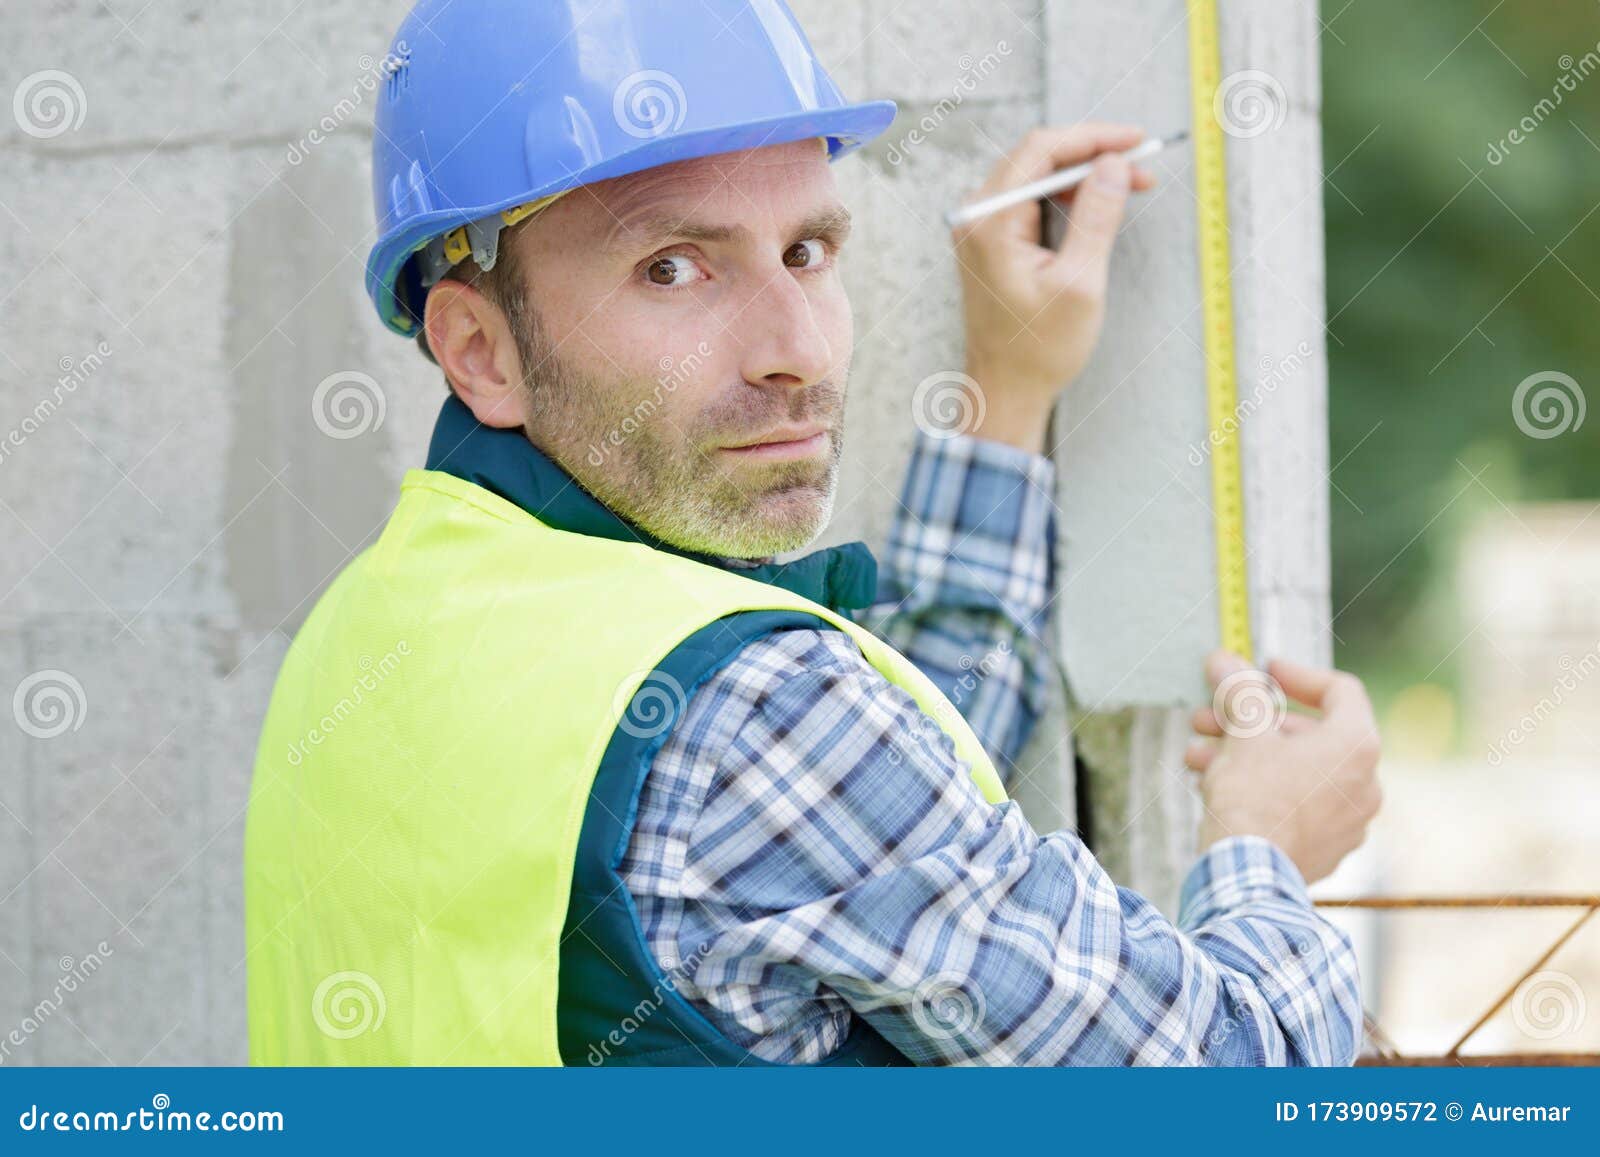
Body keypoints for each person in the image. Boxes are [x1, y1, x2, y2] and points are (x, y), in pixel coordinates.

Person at [243, 0, 1381, 1066]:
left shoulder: (366, 638)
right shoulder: (756, 711)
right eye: (672, 267)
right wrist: (1259, 845)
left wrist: (1005, 392)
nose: (794, 348)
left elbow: (870, 853)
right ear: (479, 348)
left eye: (806, 253)